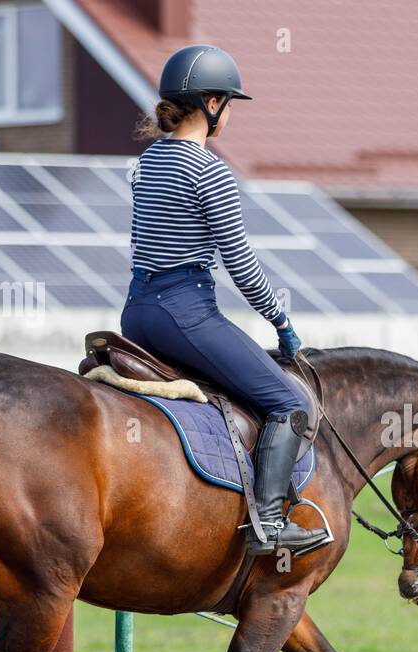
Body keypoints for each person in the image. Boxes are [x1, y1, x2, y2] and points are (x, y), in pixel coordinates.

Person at [122, 45, 327, 556]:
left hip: (137, 311)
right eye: (230, 104)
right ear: (212, 104)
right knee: (289, 401)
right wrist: (280, 321)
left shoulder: (149, 159)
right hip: (184, 311)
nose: (231, 114)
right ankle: (270, 526)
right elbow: (242, 267)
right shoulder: (210, 171)